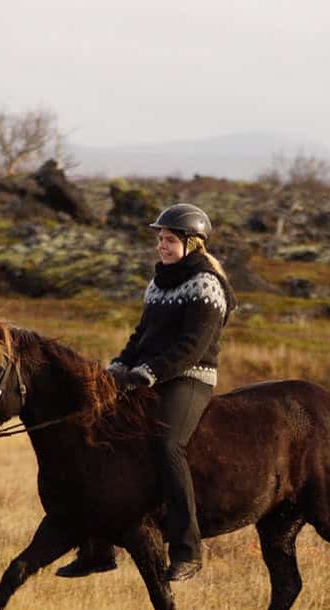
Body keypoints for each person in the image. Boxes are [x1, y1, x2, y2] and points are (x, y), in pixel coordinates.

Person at [56, 203, 236, 582]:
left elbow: (191, 346)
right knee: (100, 438)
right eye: (160, 239)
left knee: (169, 445)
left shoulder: (206, 284)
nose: (162, 246)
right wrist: (118, 366)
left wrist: (147, 373)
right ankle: (97, 550)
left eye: (170, 240)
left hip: (190, 378)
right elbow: (142, 336)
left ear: (193, 243)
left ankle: (188, 550)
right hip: (148, 377)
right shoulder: (157, 283)